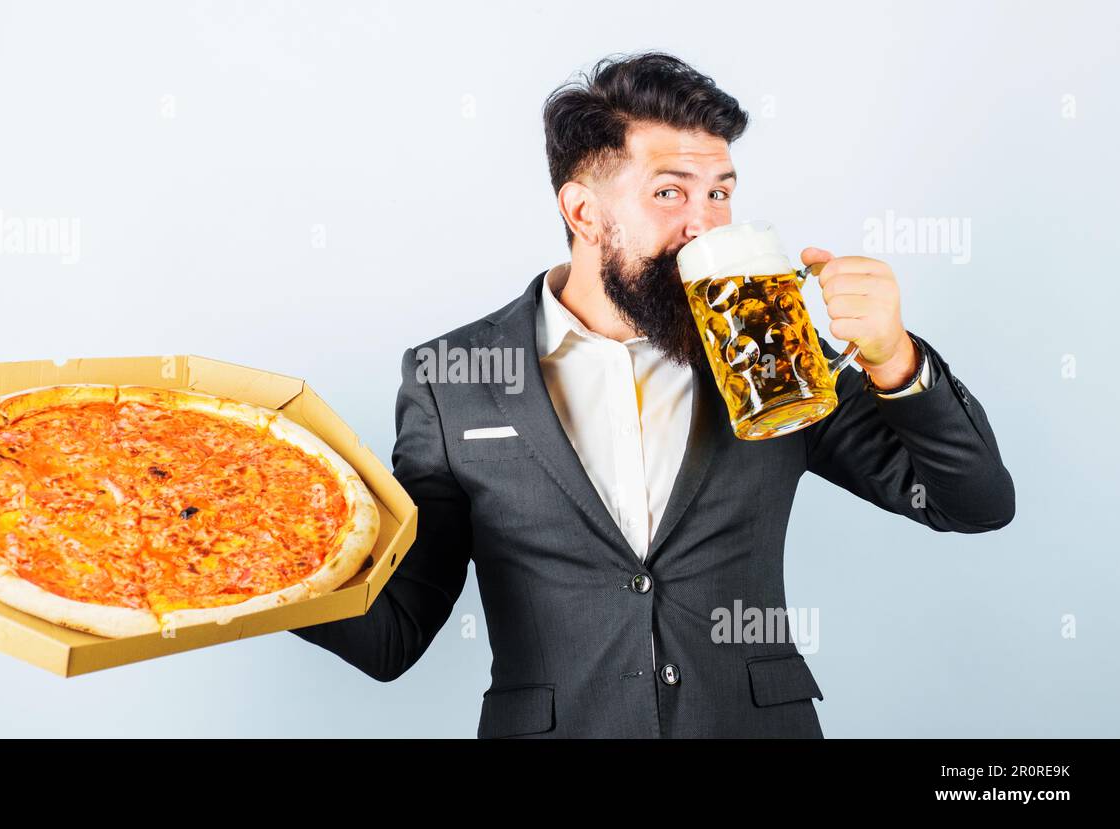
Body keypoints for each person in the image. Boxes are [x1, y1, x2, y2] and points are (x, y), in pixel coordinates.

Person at [292, 51, 1015, 738]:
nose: (704, 222)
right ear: (583, 212)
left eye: (719, 193)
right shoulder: (454, 380)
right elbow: (394, 631)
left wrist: (896, 361)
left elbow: (971, 502)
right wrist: (257, 566)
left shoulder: (769, 351)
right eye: (669, 192)